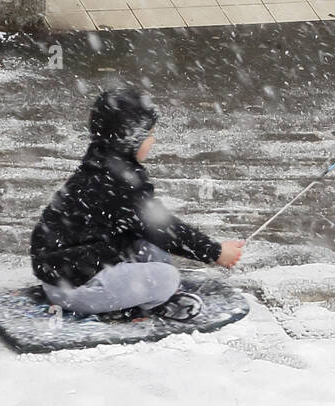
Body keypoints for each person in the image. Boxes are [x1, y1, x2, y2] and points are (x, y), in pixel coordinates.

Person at [30, 90, 245, 320]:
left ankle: (133, 299)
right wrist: (216, 252)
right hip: (74, 288)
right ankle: (131, 307)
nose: (153, 140)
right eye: (149, 134)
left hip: (69, 271)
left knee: (149, 245)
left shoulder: (103, 166)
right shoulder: (118, 182)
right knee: (166, 278)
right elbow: (164, 229)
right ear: (129, 137)